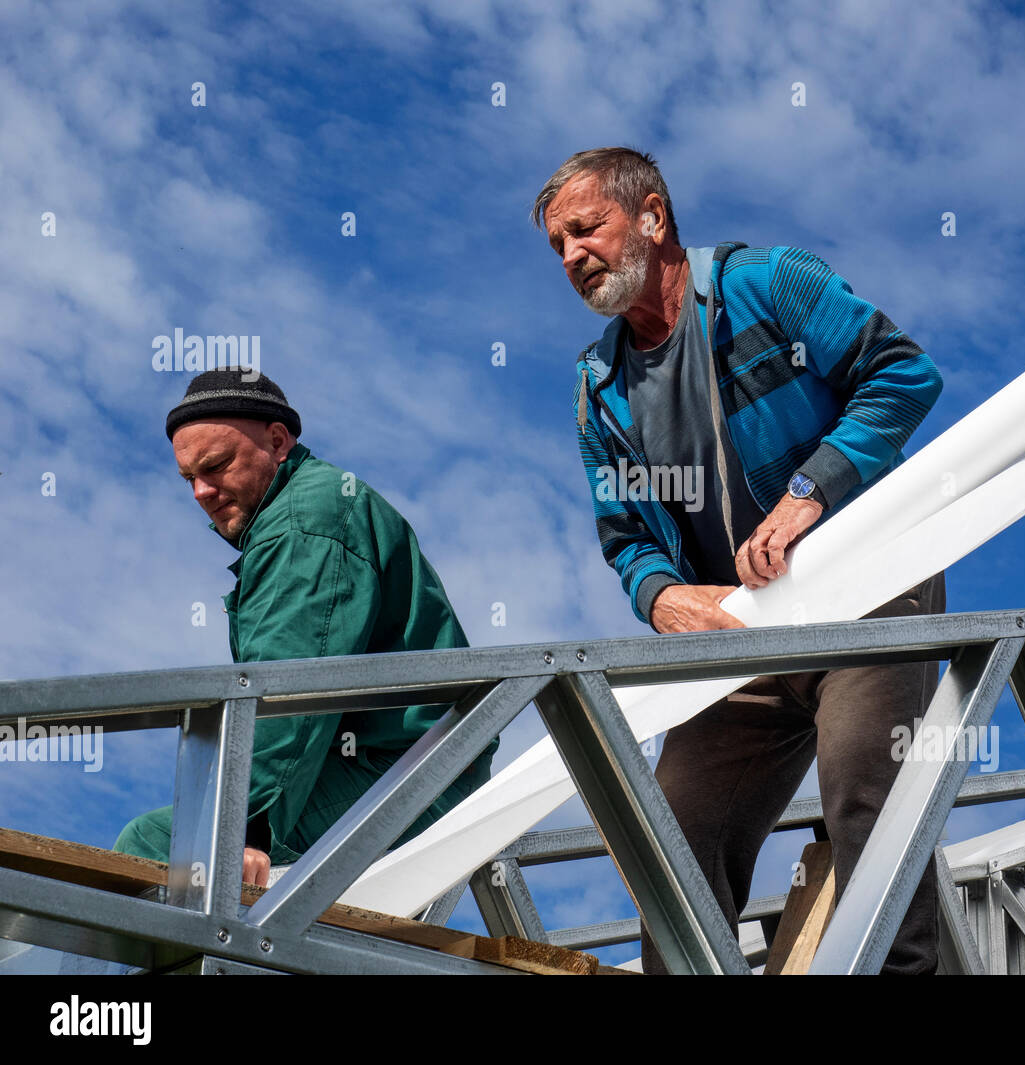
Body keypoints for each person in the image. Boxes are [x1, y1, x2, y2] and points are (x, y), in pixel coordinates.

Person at [533, 147, 947, 974]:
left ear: (651, 216)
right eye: (559, 247)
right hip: (741, 634)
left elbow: (903, 374)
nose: (573, 256)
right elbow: (628, 538)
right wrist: (661, 599)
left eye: (586, 229)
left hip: (860, 589)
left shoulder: (768, 283)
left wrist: (810, 492)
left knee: (867, 788)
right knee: (677, 838)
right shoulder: (600, 387)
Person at [113, 369, 494, 887]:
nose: (202, 491)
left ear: (277, 440)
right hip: (392, 762)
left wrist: (239, 827)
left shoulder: (303, 523)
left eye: (217, 466)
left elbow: (287, 694)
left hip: (407, 771)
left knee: (156, 845)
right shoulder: (304, 511)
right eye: (189, 480)